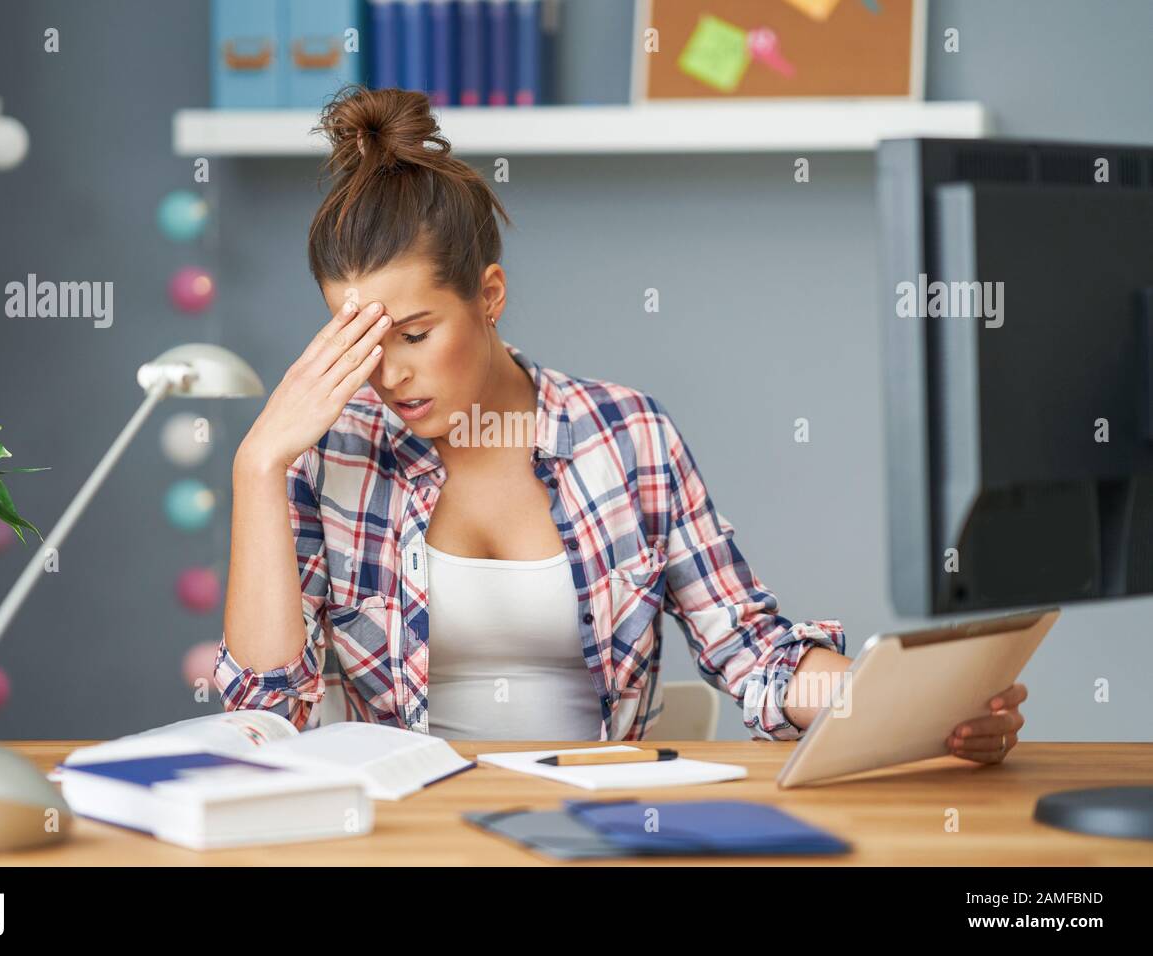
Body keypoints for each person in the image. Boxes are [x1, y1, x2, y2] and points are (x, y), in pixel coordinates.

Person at [217, 84, 1027, 757]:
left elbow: (753, 652)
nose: (388, 373)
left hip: (595, 828)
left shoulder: (628, 436)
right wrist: (258, 467)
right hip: (411, 842)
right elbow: (263, 718)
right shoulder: (332, 455)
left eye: (415, 334)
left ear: (489, 297)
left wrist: (915, 709)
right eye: (357, 341)